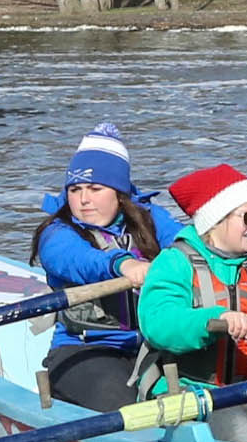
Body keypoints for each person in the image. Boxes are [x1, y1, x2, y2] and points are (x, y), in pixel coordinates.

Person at [32, 123, 186, 409]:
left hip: (154, 345)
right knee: (125, 406)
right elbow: (81, 260)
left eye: (95, 188)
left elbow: (187, 245)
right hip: (85, 350)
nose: (84, 199)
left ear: (119, 193)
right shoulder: (57, 234)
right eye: (75, 189)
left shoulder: (151, 218)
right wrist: (124, 264)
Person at [136, 163, 247, 394]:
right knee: (240, 430)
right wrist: (217, 318)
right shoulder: (174, 262)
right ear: (216, 221)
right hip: (189, 388)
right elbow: (158, 323)